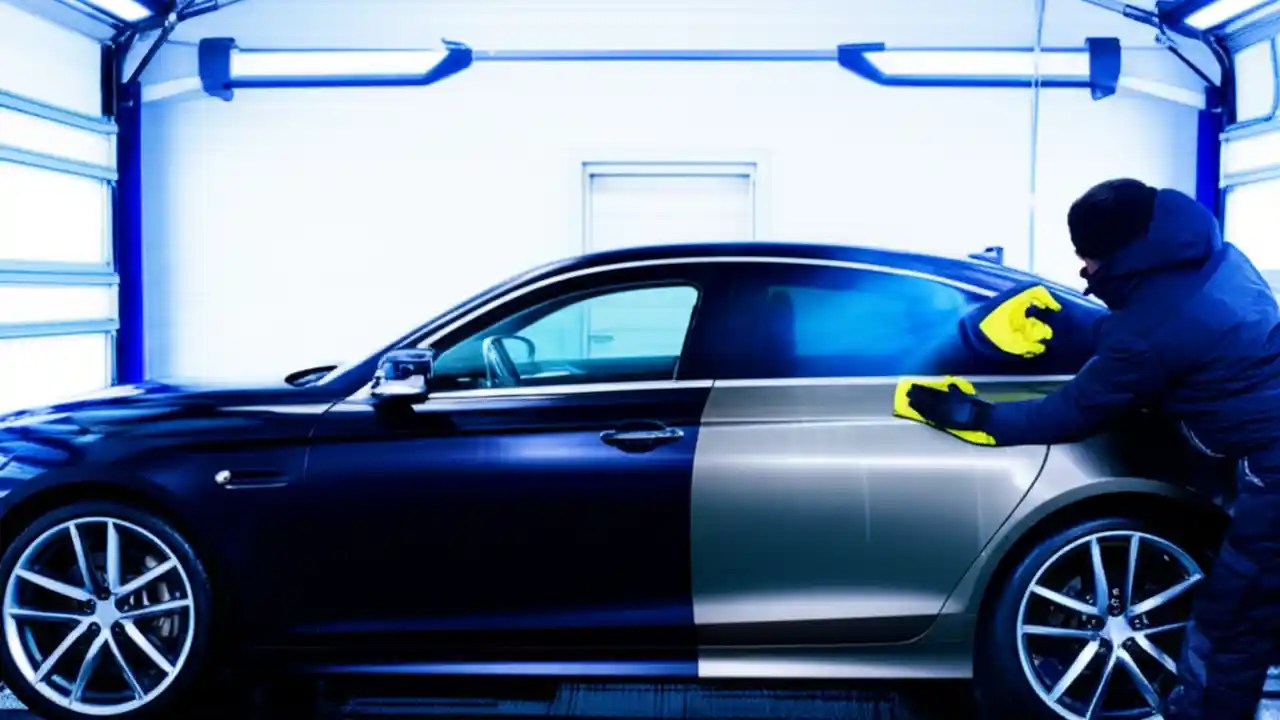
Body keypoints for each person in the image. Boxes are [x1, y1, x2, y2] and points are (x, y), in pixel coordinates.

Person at [903, 178, 1280, 720]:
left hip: (1272, 466)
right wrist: (1068, 322)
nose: (1082, 271)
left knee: (1233, 619)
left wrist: (978, 417)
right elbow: (1153, 325)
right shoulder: (1210, 253)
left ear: (1123, 254)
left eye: (1088, 259)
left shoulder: (1155, 328)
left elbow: (1071, 411)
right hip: (1254, 439)